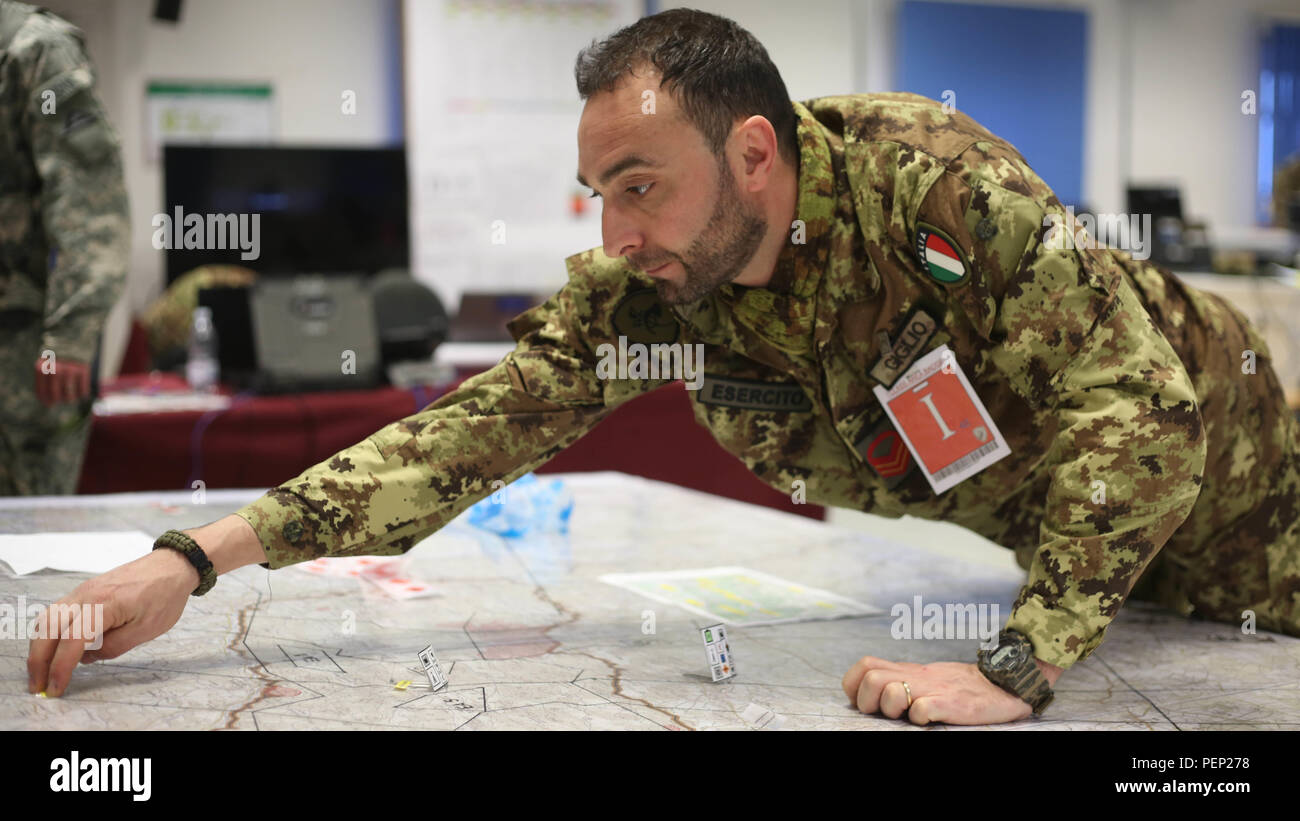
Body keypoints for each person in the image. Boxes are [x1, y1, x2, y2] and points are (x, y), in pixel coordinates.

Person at [27, 9, 1300, 726]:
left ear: (754, 151)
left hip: (1255, 511)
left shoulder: (939, 192)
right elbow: (462, 434)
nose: (615, 231)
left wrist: (1017, 668)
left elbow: (1137, 406)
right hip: (1086, 561)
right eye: (597, 192)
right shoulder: (662, 291)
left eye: (639, 185)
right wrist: (190, 557)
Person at [0, 0, 130, 495]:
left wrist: (70, 336)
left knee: (27, 533)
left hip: (20, 344)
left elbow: (89, 198)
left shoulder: (34, 51)